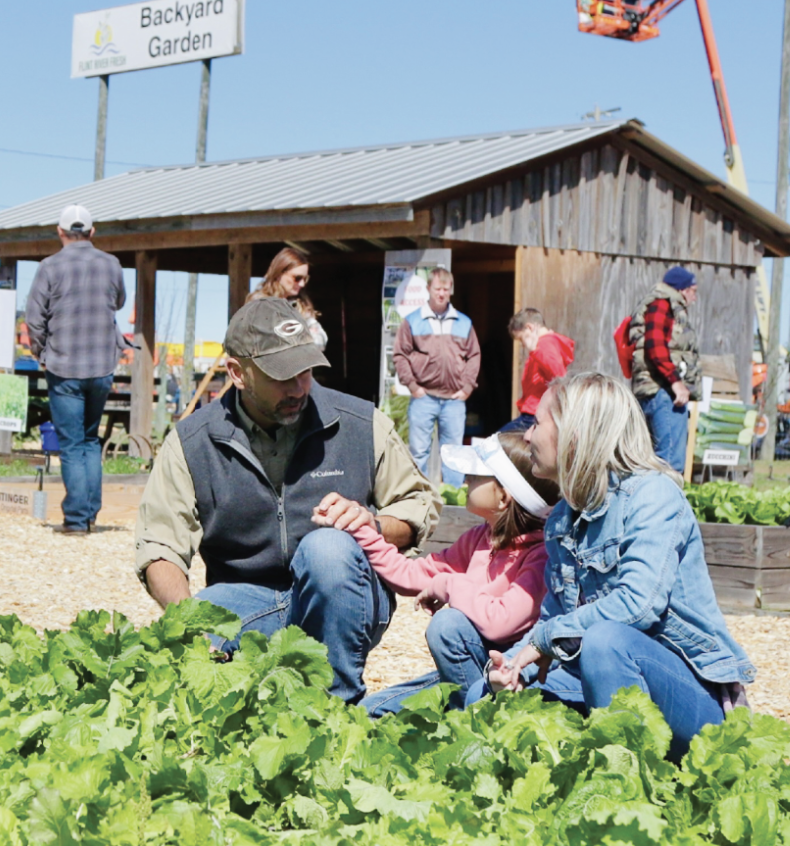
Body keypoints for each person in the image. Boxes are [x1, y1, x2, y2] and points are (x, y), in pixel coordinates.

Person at [136, 296, 439, 703]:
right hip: (246, 598)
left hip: (345, 597)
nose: (299, 386)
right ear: (237, 374)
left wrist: (374, 523)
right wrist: (189, 624)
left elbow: (418, 503)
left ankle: (336, 704)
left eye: (306, 370)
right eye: (282, 376)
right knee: (188, 632)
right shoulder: (192, 443)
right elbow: (160, 549)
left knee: (328, 548)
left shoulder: (360, 423)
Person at [474, 371, 755, 762]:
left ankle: (625, 783)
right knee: (481, 696)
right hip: (599, 682)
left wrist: (544, 640)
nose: (526, 437)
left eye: (537, 424)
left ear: (574, 435)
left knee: (605, 642)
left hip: (690, 698)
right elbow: (553, 620)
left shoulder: (653, 495)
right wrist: (511, 668)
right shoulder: (561, 520)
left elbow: (638, 606)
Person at [350, 431, 560, 715]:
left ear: (503, 498)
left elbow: (501, 622)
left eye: (475, 476)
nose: (464, 481)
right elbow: (411, 575)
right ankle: (466, 708)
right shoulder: (479, 539)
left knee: (448, 624)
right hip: (470, 669)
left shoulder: (541, 555)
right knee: (371, 710)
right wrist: (365, 528)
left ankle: (476, 721)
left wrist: (449, 584)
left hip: (511, 679)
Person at [25, 204, 125, 534]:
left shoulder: (49, 267)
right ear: (92, 232)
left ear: (60, 231)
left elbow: (34, 317)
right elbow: (120, 301)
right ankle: (91, 513)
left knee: (70, 445)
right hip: (101, 366)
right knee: (89, 440)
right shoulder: (111, 264)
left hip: (64, 364)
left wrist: (41, 351)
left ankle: (77, 519)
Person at [393, 267, 480, 486]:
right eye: (437, 289)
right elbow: (400, 355)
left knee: (454, 455)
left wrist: (468, 387)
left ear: (451, 290)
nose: (441, 293)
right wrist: (413, 386)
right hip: (424, 397)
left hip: (454, 400)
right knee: (418, 453)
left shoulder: (463, 322)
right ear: (428, 289)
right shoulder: (413, 320)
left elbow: (474, 355)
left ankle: (452, 499)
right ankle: (417, 499)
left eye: (446, 289)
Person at [625, 266, 700, 472]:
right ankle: (667, 503)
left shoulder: (656, 304)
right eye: (694, 291)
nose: (694, 297)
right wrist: (676, 383)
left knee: (648, 462)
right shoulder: (663, 305)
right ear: (683, 289)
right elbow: (655, 346)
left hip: (651, 391)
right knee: (669, 464)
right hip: (664, 393)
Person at [503, 309, 574, 433]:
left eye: (521, 339)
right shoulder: (544, 344)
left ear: (529, 328)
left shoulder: (545, 345)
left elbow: (559, 375)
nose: (523, 345)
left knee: (497, 442)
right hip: (533, 412)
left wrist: (534, 351)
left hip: (534, 414)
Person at [247, 247, 328, 348]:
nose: (302, 284)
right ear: (279, 273)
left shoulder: (301, 305)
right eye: (297, 278)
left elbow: (320, 341)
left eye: (305, 279)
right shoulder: (259, 304)